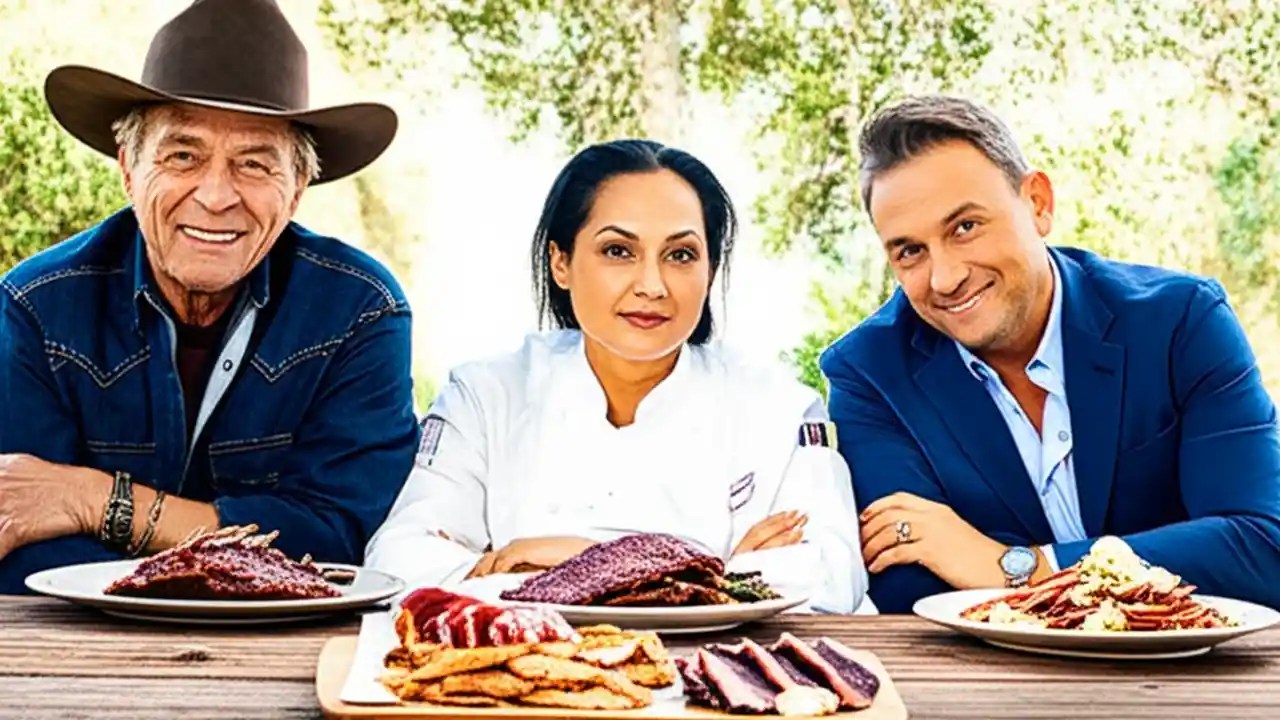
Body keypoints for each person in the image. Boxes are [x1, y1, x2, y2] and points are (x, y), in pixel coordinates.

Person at [0, 0, 418, 593]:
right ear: (128, 169)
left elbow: (346, 537)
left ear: (296, 189)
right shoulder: (36, 306)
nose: (217, 195)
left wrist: (95, 499)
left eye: (254, 163)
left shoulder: (360, 311)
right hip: (82, 654)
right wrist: (236, 549)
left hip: (289, 655)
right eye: (182, 156)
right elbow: (20, 536)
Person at [820, 94, 1280, 613]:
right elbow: (909, 586)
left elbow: (1261, 548)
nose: (945, 277)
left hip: (1195, 675)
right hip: (995, 687)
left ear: (1037, 203)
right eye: (910, 251)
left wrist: (1020, 566)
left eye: (965, 227)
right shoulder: (870, 373)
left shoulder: (1180, 321)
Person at [366, 139, 868, 613]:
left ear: (710, 270)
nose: (651, 285)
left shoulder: (778, 408)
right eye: (618, 251)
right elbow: (402, 561)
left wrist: (555, 565)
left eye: (680, 255)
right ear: (560, 262)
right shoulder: (486, 394)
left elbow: (829, 574)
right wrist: (719, 575)